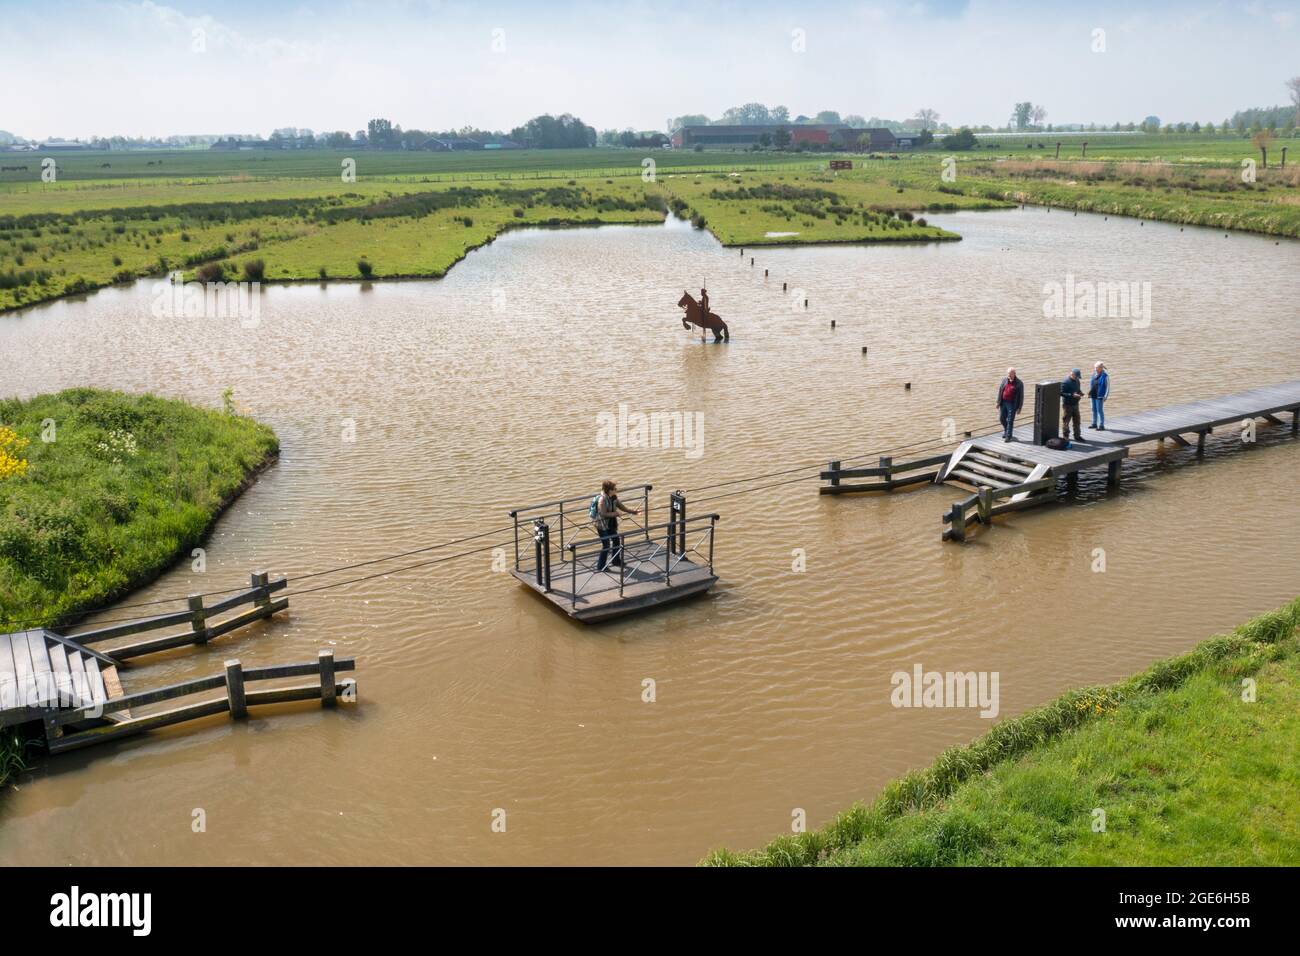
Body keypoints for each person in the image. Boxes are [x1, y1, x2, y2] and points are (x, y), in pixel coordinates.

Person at [594, 479, 640, 572]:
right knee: (606, 545)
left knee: (616, 541)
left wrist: (633, 511)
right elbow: (603, 513)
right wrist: (616, 513)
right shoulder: (602, 500)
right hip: (601, 525)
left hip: (611, 524)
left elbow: (622, 507)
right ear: (609, 490)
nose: (616, 489)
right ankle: (600, 566)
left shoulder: (613, 497)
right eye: (614, 488)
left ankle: (616, 561)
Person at [996, 367, 1024, 442]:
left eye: (1010, 374)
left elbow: (1021, 396)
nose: (1008, 375)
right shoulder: (1004, 380)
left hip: (1012, 404)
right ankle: (1006, 430)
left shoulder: (1019, 383)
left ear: (1014, 374)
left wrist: (1019, 408)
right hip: (1003, 402)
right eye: (1008, 373)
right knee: (1002, 419)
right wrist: (998, 402)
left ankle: (1008, 436)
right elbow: (1000, 391)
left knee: (1010, 420)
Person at [1060, 368, 1084, 441]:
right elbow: (1061, 393)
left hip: (1075, 404)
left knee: (1077, 421)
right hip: (1067, 405)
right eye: (1076, 376)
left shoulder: (1077, 381)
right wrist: (1071, 395)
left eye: (1078, 377)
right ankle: (1066, 436)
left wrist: (1080, 393)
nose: (1077, 378)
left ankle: (1077, 436)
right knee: (1066, 421)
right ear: (1072, 374)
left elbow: (1078, 389)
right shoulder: (1065, 382)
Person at [1089, 361, 1110, 431]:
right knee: (1093, 409)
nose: (1095, 369)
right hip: (1093, 394)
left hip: (1100, 395)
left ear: (1101, 368)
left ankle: (1101, 425)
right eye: (1095, 367)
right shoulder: (1094, 374)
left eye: (1096, 368)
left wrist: (1105, 396)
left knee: (1099, 410)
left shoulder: (1105, 376)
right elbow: (1092, 384)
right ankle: (1094, 423)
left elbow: (1108, 387)